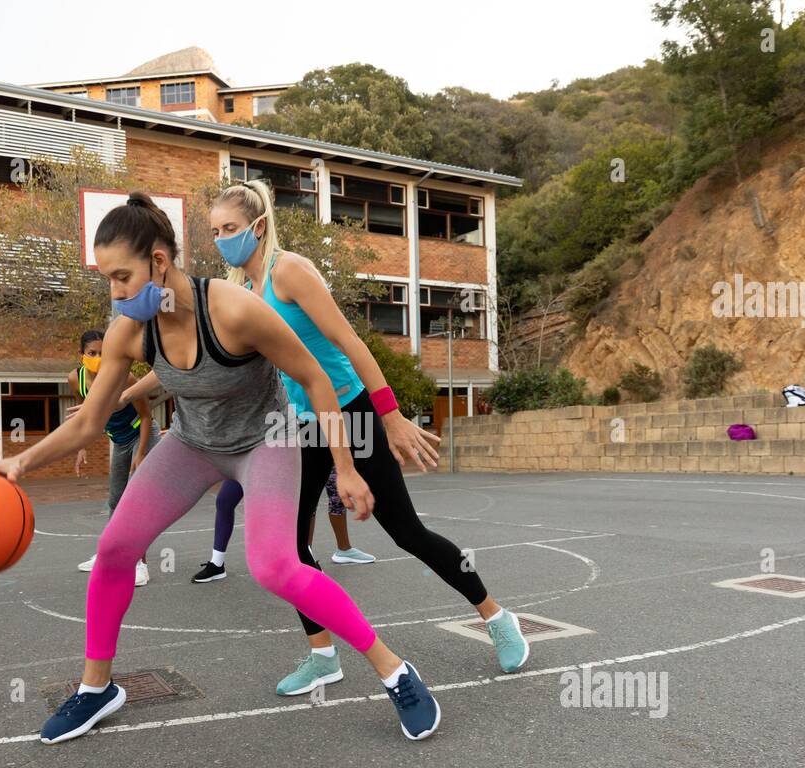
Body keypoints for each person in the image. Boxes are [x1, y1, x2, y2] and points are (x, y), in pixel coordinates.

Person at [0, 192, 440, 744]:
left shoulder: (234, 311)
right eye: (108, 280)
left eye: (122, 277)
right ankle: (97, 689)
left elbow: (314, 378)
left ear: (159, 263)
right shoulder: (130, 329)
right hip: (193, 443)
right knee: (115, 549)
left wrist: (346, 469)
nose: (114, 293)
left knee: (273, 567)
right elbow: (90, 421)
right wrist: (18, 462)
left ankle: (396, 671)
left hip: (267, 441)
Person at [126, 180, 529, 698]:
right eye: (216, 231)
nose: (223, 238)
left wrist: (390, 414)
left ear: (259, 227)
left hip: (348, 409)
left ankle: (496, 617)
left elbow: (347, 339)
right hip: (295, 424)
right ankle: (322, 656)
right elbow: (176, 363)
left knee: (405, 531)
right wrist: (117, 394)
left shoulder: (288, 271)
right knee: (290, 546)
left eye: (231, 229)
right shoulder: (238, 294)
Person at [69, 330, 159, 586]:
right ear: (81, 355)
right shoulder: (76, 380)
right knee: (114, 500)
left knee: (137, 501)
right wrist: (82, 446)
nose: (97, 357)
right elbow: (84, 415)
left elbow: (146, 417)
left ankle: (140, 564)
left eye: (102, 353)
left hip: (141, 434)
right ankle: (109, 554)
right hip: (118, 440)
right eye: (91, 353)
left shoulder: (125, 377)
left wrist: (140, 454)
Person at [188, 466, 375, 584]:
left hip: (289, 448)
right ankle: (217, 563)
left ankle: (309, 557)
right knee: (225, 501)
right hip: (250, 450)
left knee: (308, 503)